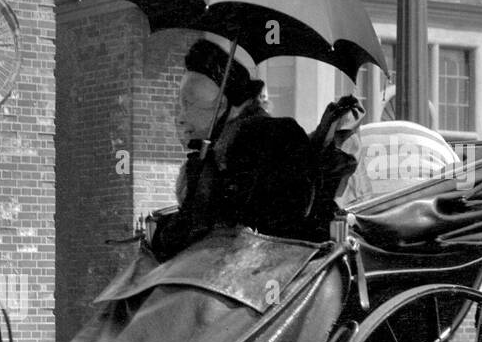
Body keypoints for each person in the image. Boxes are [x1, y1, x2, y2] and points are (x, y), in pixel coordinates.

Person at [151, 38, 361, 259]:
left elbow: (199, 229)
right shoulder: (226, 146)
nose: (180, 118)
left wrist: (161, 232)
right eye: (179, 105)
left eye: (189, 104)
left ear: (222, 105)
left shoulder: (262, 142)